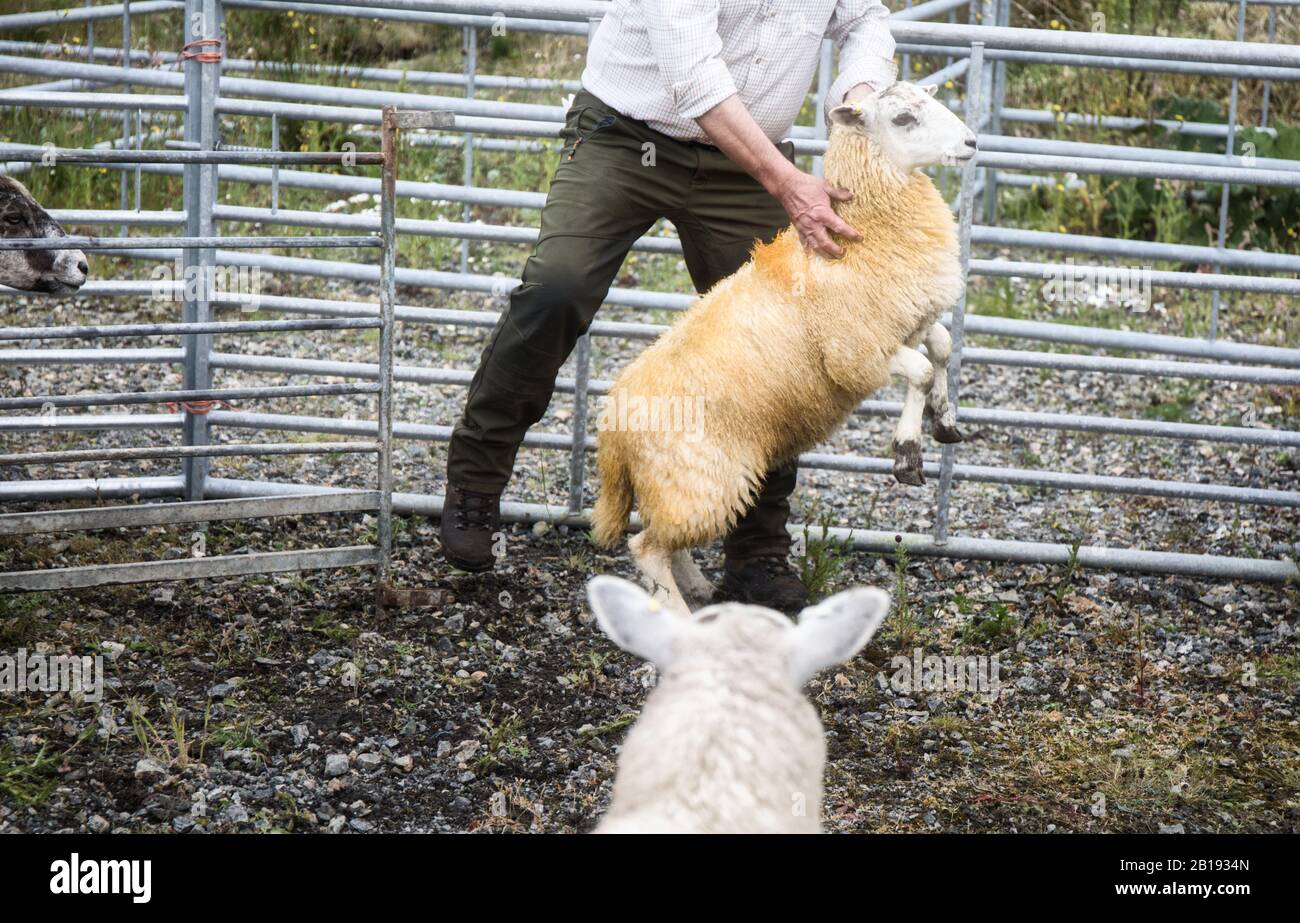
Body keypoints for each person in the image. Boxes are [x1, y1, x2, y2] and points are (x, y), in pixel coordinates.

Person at [442, 0, 895, 611]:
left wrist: (860, 96)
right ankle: (476, 480)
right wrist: (788, 183)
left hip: (749, 155)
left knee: (777, 337)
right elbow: (694, 75)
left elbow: (864, 17)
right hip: (631, 134)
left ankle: (757, 552)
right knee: (559, 287)